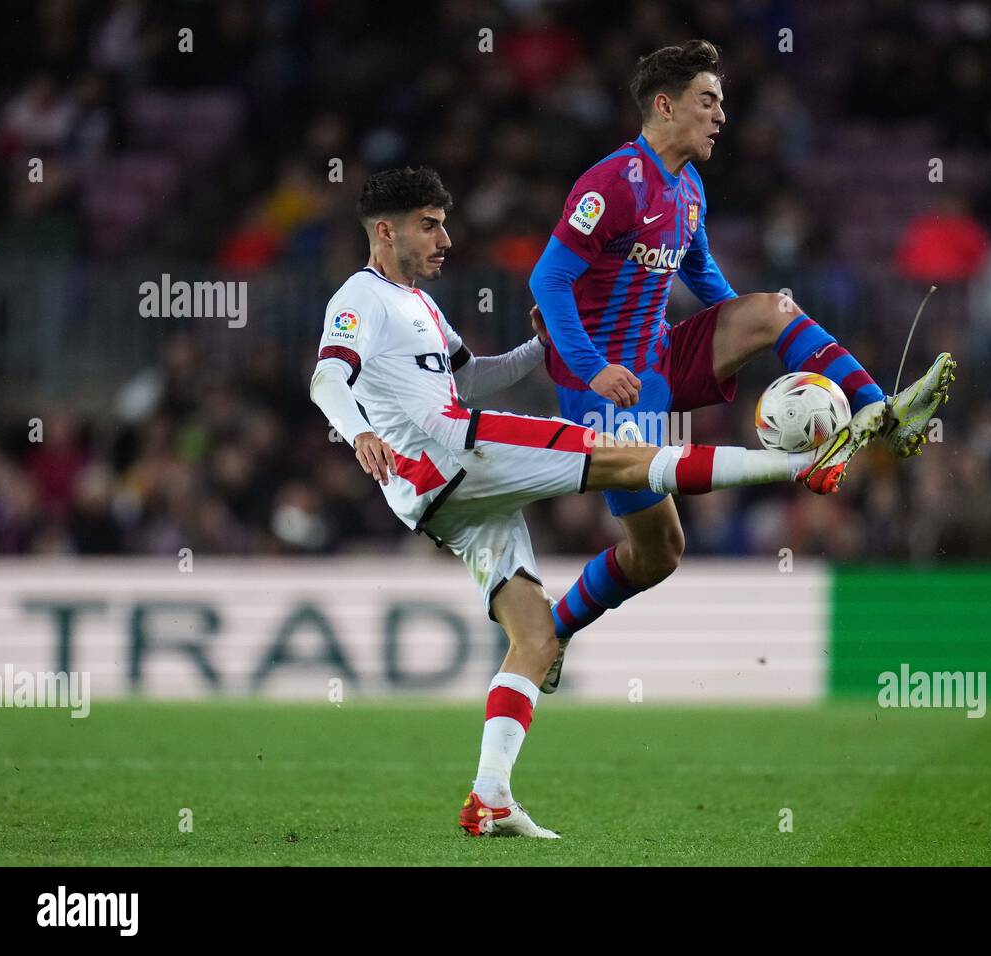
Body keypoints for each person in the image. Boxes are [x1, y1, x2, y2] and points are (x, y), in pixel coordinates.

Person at [310, 167, 867, 837]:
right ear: (384, 231)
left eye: (443, 224)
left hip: (440, 497)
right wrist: (360, 431)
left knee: (536, 638)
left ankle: (489, 797)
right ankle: (800, 463)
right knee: (625, 456)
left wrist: (539, 348)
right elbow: (327, 377)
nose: (445, 239)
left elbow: (473, 378)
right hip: (450, 451)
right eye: (429, 226)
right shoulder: (360, 297)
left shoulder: (421, 305)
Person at [529, 40, 957, 688]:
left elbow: (703, 276)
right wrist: (591, 369)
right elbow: (548, 279)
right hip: (606, 391)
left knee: (771, 307)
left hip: (660, 357)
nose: (721, 116)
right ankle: (555, 626)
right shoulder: (612, 183)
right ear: (665, 106)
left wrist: (757, 334)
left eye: (721, 103)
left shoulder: (689, 188)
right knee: (659, 551)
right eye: (708, 101)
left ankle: (880, 409)